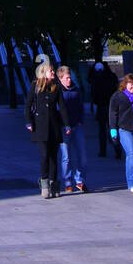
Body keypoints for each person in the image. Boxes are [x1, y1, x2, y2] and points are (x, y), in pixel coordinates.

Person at [24, 58, 70, 199]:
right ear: (43, 73)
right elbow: (28, 105)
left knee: (53, 158)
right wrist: (29, 122)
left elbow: (62, 107)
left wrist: (67, 124)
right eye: (51, 71)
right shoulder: (35, 86)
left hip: (54, 126)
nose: (53, 73)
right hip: (40, 126)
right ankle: (44, 184)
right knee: (44, 156)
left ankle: (54, 184)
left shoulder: (56, 87)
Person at [56, 65, 87, 193]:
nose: (69, 80)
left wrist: (80, 120)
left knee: (83, 156)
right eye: (67, 78)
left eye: (70, 77)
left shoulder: (76, 89)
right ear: (60, 78)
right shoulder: (58, 91)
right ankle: (68, 181)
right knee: (66, 156)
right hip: (64, 127)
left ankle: (79, 180)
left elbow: (81, 106)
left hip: (76, 125)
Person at [89, 61, 120, 158]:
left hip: (101, 106)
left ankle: (103, 151)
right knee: (113, 128)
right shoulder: (112, 77)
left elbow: (93, 92)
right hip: (112, 106)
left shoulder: (96, 79)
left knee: (102, 130)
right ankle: (117, 149)